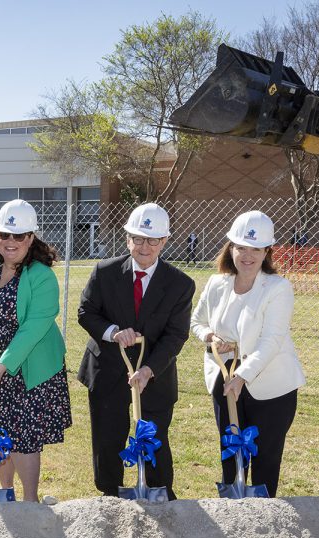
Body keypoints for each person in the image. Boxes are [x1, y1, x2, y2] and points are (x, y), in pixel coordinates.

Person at [0, 199, 71, 502]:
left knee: (23, 436)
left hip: (27, 365)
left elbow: (34, 328)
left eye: (18, 236)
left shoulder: (42, 276)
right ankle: (5, 495)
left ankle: (30, 502)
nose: (10, 241)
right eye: (4, 234)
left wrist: (3, 366)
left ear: (31, 238)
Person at [77, 202, 194, 500]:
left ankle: (158, 493)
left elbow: (175, 335)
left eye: (153, 240)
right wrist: (113, 332)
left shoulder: (180, 284)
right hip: (107, 369)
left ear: (164, 241)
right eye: (138, 239)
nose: (144, 247)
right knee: (107, 437)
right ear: (127, 238)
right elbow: (86, 312)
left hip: (154, 372)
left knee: (154, 437)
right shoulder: (105, 272)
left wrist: (148, 370)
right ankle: (110, 494)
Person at [190, 211, 305, 497]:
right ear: (231, 248)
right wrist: (210, 337)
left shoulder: (277, 288)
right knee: (231, 452)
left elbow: (272, 340)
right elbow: (197, 321)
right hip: (224, 376)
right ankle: (234, 507)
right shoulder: (217, 283)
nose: (248, 255)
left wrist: (242, 376)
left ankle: (262, 511)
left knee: (265, 456)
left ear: (267, 251)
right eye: (241, 247)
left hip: (270, 384)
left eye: (256, 248)